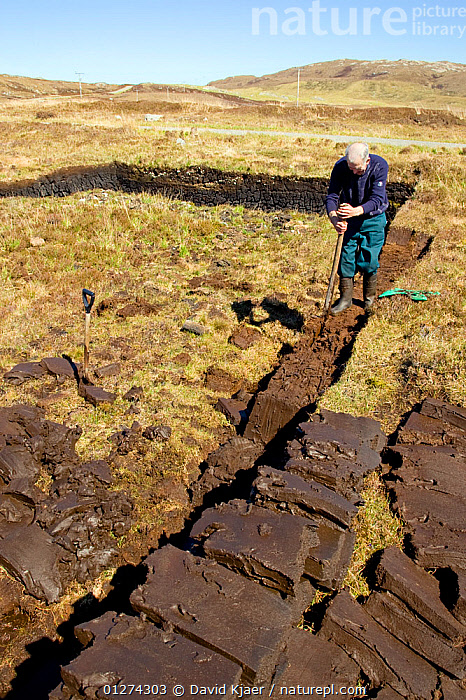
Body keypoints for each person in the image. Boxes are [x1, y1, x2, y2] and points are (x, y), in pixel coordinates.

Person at [326, 142, 389, 314]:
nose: (353, 172)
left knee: (369, 260)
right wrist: (334, 218)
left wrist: (355, 211)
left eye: (358, 169)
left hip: (373, 218)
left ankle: (369, 301)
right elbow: (332, 195)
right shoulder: (341, 167)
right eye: (350, 167)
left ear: (367, 161)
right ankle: (345, 300)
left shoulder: (379, 166)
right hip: (349, 221)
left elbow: (377, 199)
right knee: (345, 258)